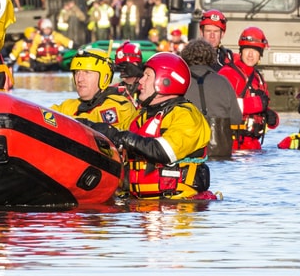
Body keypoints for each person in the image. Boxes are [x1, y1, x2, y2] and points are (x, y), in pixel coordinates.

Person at [86, 52, 214, 201]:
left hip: (178, 205)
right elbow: (119, 132)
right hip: (140, 202)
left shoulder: (187, 116)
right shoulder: (142, 114)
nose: (141, 81)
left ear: (166, 81)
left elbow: (164, 151)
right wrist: (90, 126)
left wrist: (123, 138)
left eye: (147, 76)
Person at [181, 39, 242, 159]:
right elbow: (236, 119)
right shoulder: (224, 82)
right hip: (220, 151)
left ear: (185, 58)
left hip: (190, 154)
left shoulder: (181, 82)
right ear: (211, 58)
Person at [219, 27, 279, 150]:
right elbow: (222, 106)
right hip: (232, 144)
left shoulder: (259, 79)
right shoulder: (228, 73)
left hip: (253, 145)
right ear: (241, 51)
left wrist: (272, 118)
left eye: (255, 50)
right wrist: (257, 104)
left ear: (260, 54)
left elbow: (263, 107)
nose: (250, 54)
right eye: (247, 49)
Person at [51, 48, 137, 129]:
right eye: (77, 72)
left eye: (87, 72)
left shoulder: (120, 107)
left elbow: (93, 120)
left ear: (105, 78)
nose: (79, 79)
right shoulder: (68, 106)